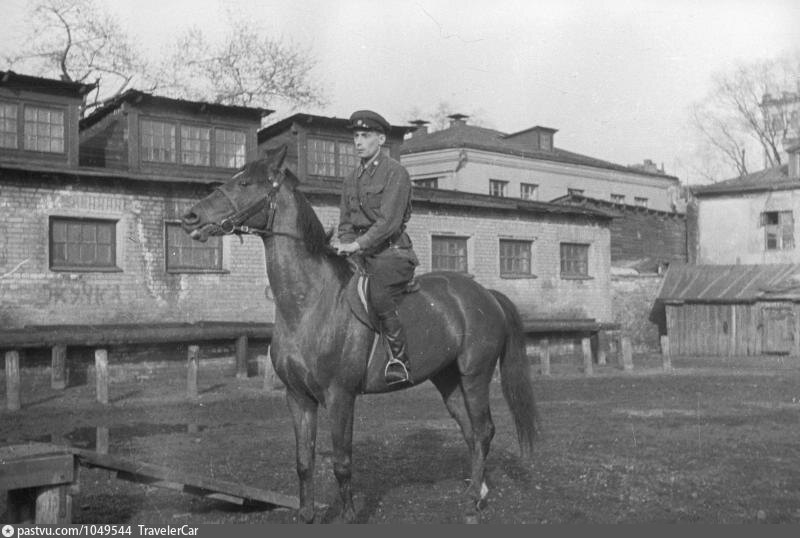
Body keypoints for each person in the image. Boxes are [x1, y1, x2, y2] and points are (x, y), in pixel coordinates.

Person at [336, 110, 419, 385]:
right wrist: (346, 244)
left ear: (381, 139)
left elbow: (388, 223)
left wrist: (357, 244)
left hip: (391, 254)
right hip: (361, 253)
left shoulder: (396, 173)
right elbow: (345, 222)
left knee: (378, 292)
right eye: (356, 136)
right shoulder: (351, 179)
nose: (358, 141)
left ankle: (398, 359)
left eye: (365, 135)